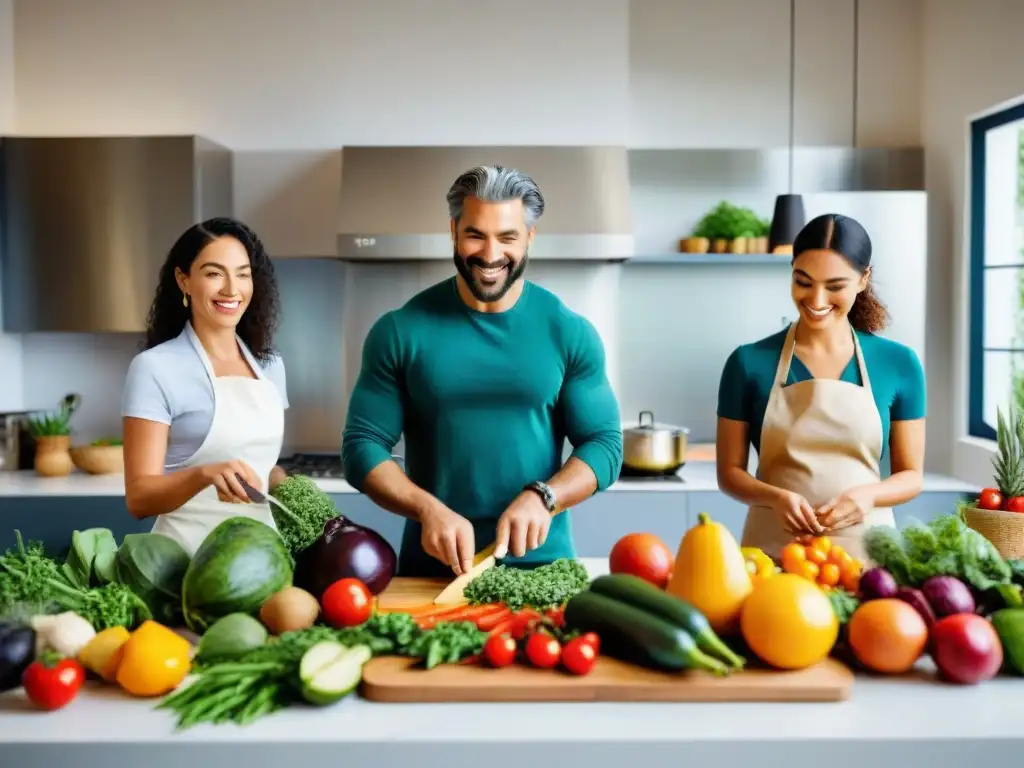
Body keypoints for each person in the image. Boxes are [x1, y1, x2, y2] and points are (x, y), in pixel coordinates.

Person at [341, 165, 623, 578]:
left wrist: (546, 496)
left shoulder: (569, 332)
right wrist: (426, 508)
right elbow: (362, 446)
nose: (490, 255)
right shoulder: (400, 330)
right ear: (453, 231)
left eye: (507, 237)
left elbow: (604, 444)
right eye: (476, 234)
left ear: (529, 237)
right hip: (434, 570)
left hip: (544, 567)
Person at [715, 213, 926, 563]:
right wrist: (776, 498)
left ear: (863, 279)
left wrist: (870, 496)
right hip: (772, 555)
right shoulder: (747, 362)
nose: (816, 298)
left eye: (835, 286)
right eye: (803, 281)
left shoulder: (899, 363)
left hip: (867, 556)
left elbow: (911, 476)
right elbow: (729, 474)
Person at [121, 217, 290, 556]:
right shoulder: (154, 368)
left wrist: (285, 485)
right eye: (215, 273)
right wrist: (204, 475)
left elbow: (262, 466)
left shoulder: (271, 367)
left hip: (261, 560)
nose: (231, 289)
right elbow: (139, 499)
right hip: (182, 564)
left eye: (242, 274)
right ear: (184, 280)